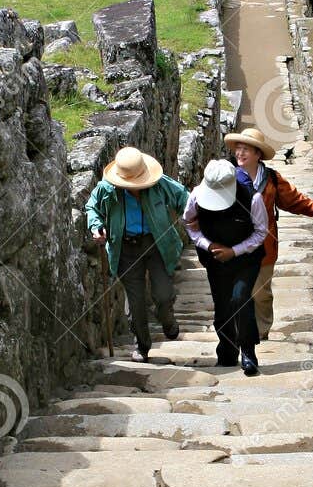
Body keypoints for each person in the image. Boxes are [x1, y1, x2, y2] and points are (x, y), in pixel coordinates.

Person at [224, 126, 313, 341]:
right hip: (235, 247)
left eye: (245, 149)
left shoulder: (271, 179)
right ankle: (242, 332)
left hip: (264, 247)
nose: (240, 153)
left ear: (258, 154)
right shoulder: (227, 177)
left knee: (261, 294)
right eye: (238, 149)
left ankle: (261, 331)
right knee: (238, 293)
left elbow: (293, 200)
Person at [86, 146, 189, 363]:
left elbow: (185, 199)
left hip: (157, 245)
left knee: (162, 294)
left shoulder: (159, 184)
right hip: (125, 249)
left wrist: (194, 220)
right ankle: (141, 346)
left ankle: (167, 320)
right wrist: (96, 226)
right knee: (135, 302)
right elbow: (92, 208)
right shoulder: (107, 189)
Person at [184, 158, 269, 375]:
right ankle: (227, 352)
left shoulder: (253, 198)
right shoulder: (195, 196)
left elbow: (261, 232)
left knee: (240, 298)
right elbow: (190, 224)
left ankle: (248, 351)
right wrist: (209, 244)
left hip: (245, 259)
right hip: (214, 259)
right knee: (222, 306)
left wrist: (234, 251)